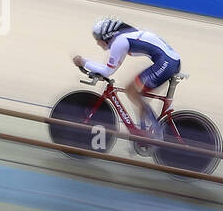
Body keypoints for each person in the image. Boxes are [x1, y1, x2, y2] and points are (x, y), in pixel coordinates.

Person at [74, 17, 181, 150]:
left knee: (132, 92)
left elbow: (107, 71)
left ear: (106, 36)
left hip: (166, 63)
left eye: (98, 39)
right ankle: (142, 134)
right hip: (169, 61)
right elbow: (111, 67)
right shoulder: (124, 38)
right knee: (135, 92)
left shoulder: (119, 42)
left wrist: (84, 62)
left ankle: (158, 133)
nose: (97, 43)